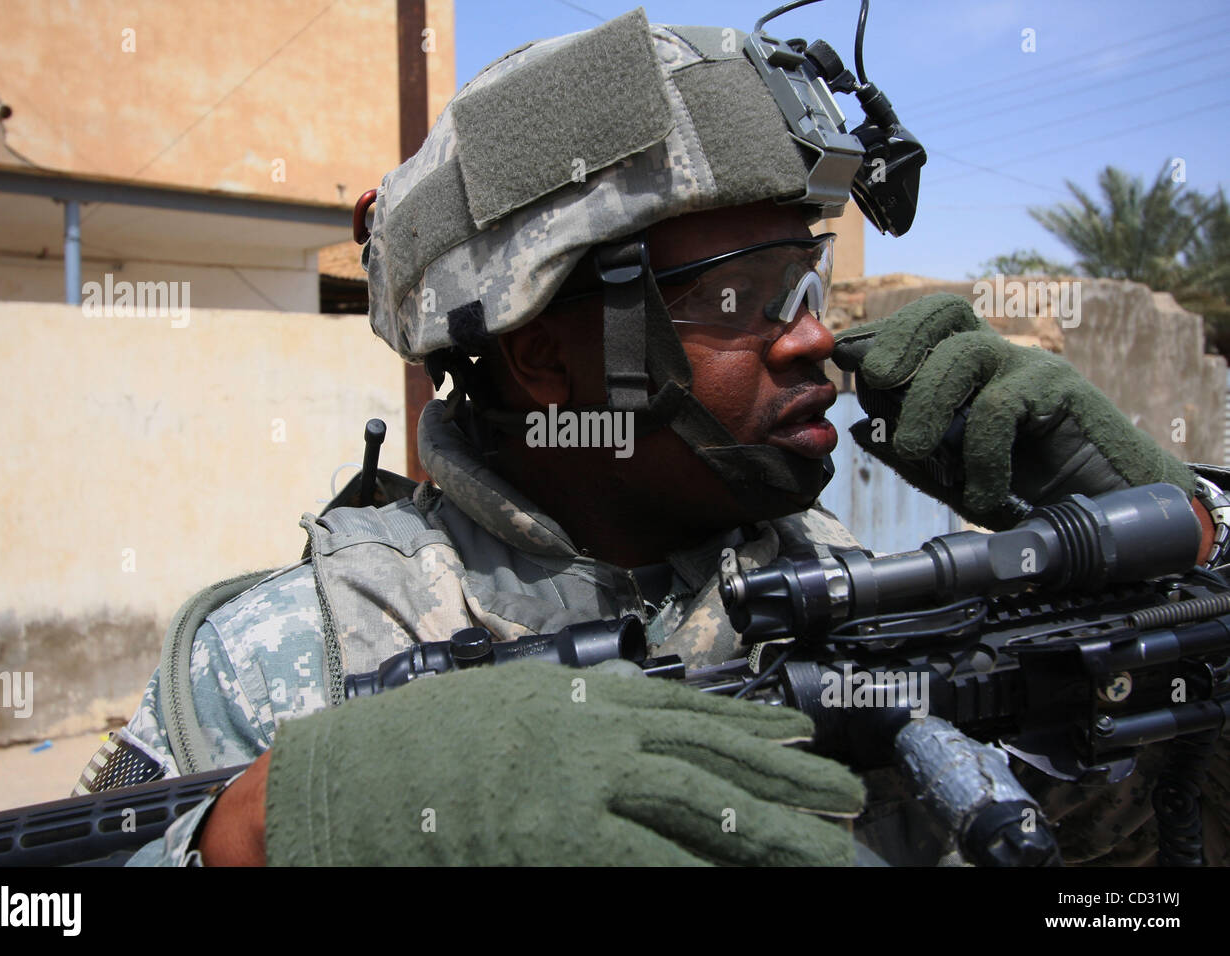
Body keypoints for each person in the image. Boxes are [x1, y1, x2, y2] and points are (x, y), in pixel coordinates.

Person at [75, 8, 1227, 867]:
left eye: (811, 278)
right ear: (543, 358)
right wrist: (251, 836)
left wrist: (1180, 589)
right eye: (749, 295)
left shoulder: (880, 594)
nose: (813, 336)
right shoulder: (294, 653)